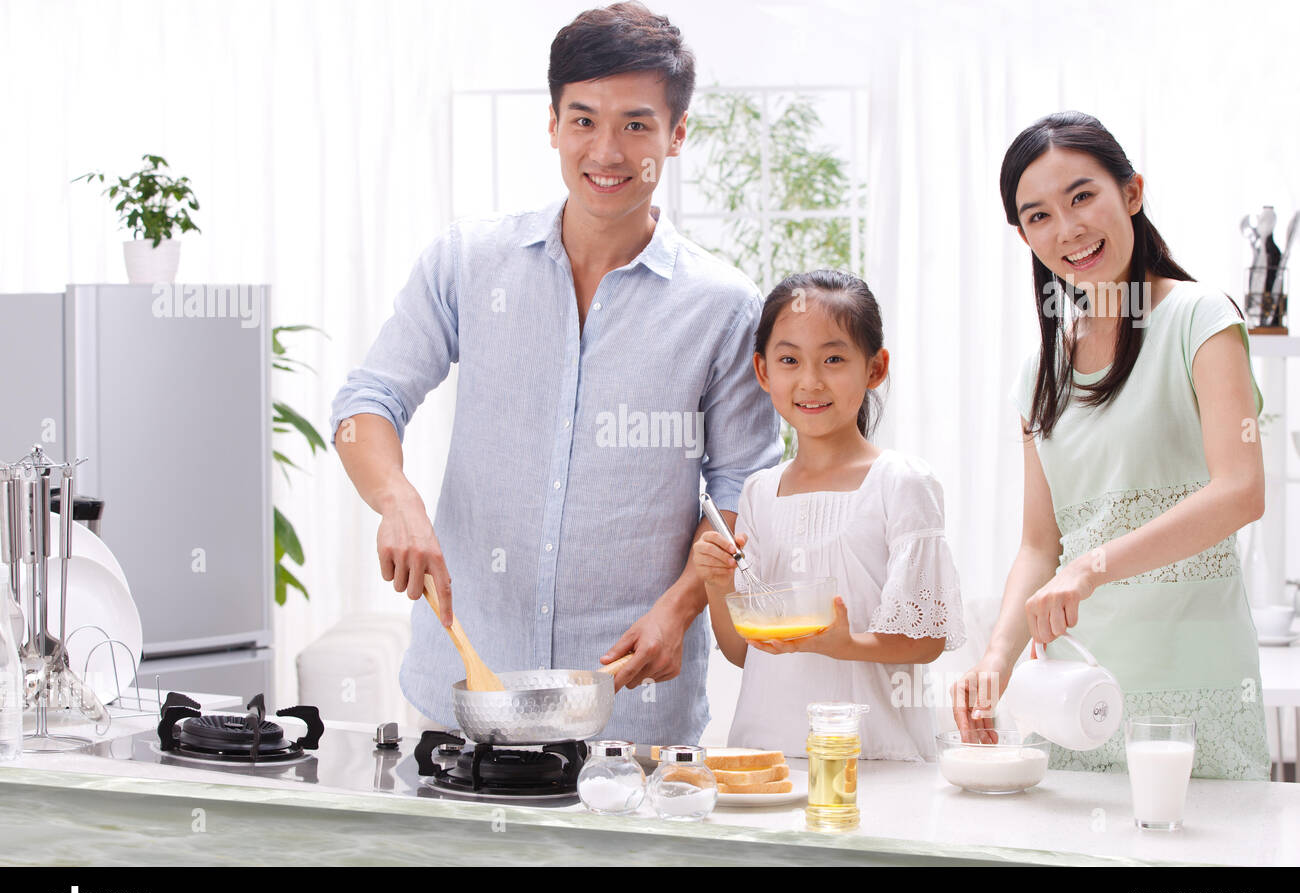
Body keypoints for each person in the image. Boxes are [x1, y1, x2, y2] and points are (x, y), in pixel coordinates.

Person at [329, 2, 781, 745]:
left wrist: (682, 607)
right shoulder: (469, 264)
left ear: (677, 133)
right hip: (463, 697)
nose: (606, 150)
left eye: (637, 124)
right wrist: (396, 499)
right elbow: (366, 401)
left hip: (631, 707)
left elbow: (744, 493)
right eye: (583, 120)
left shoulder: (723, 307)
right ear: (552, 125)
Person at [951, 111, 1270, 779]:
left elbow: (1240, 490)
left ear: (1132, 192)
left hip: (1195, 689)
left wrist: (1091, 568)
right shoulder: (1039, 374)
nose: (1067, 230)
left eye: (1082, 196)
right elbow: (1041, 545)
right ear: (1023, 235)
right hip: (1075, 696)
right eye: (1037, 216)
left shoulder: (1201, 318)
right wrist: (997, 660)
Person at [692, 270, 966, 759]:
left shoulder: (902, 483)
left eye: (834, 359)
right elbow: (743, 652)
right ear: (762, 372)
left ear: (876, 368)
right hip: (766, 761)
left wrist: (844, 643)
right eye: (789, 360)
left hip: (874, 761)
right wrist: (717, 584)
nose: (810, 381)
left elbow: (925, 641)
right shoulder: (758, 492)